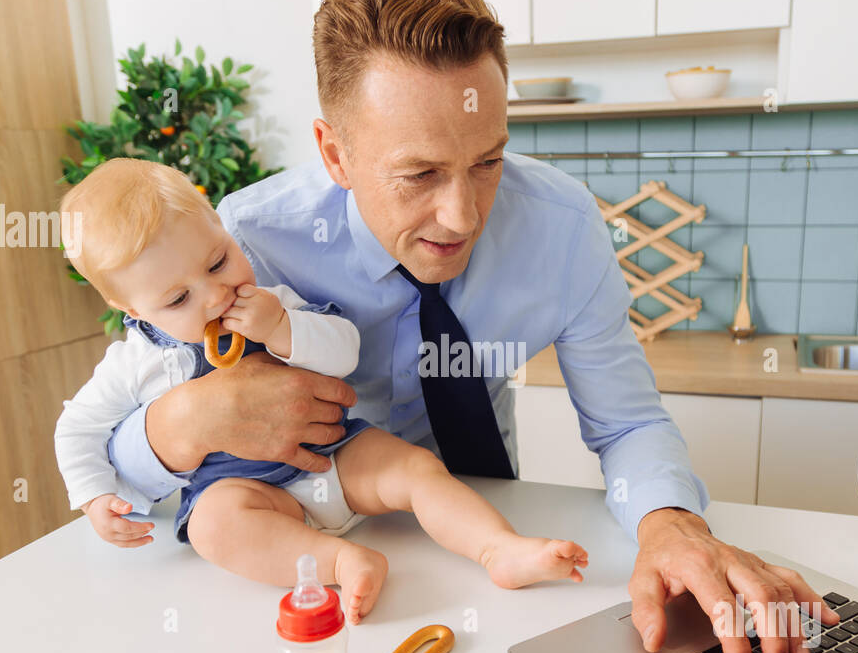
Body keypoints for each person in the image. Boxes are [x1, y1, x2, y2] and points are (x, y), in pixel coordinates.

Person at [101, 0, 839, 653]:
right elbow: (126, 466)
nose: (461, 217)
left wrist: (672, 524)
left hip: (490, 545)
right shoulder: (247, 244)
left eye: (487, 162)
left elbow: (627, 423)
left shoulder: (561, 229)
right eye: (419, 174)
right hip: (310, 568)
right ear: (335, 153)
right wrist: (183, 423)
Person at [54, 158, 588, 623]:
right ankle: (338, 563)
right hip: (254, 497)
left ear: (220, 227)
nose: (217, 294)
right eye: (177, 299)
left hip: (338, 456)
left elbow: (344, 353)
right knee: (213, 528)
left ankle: (500, 549)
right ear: (134, 311)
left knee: (417, 468)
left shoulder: (269, 300)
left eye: (218, 261)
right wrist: (95, 495)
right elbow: (77, 428)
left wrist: (282, 329)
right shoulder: (133, 364)